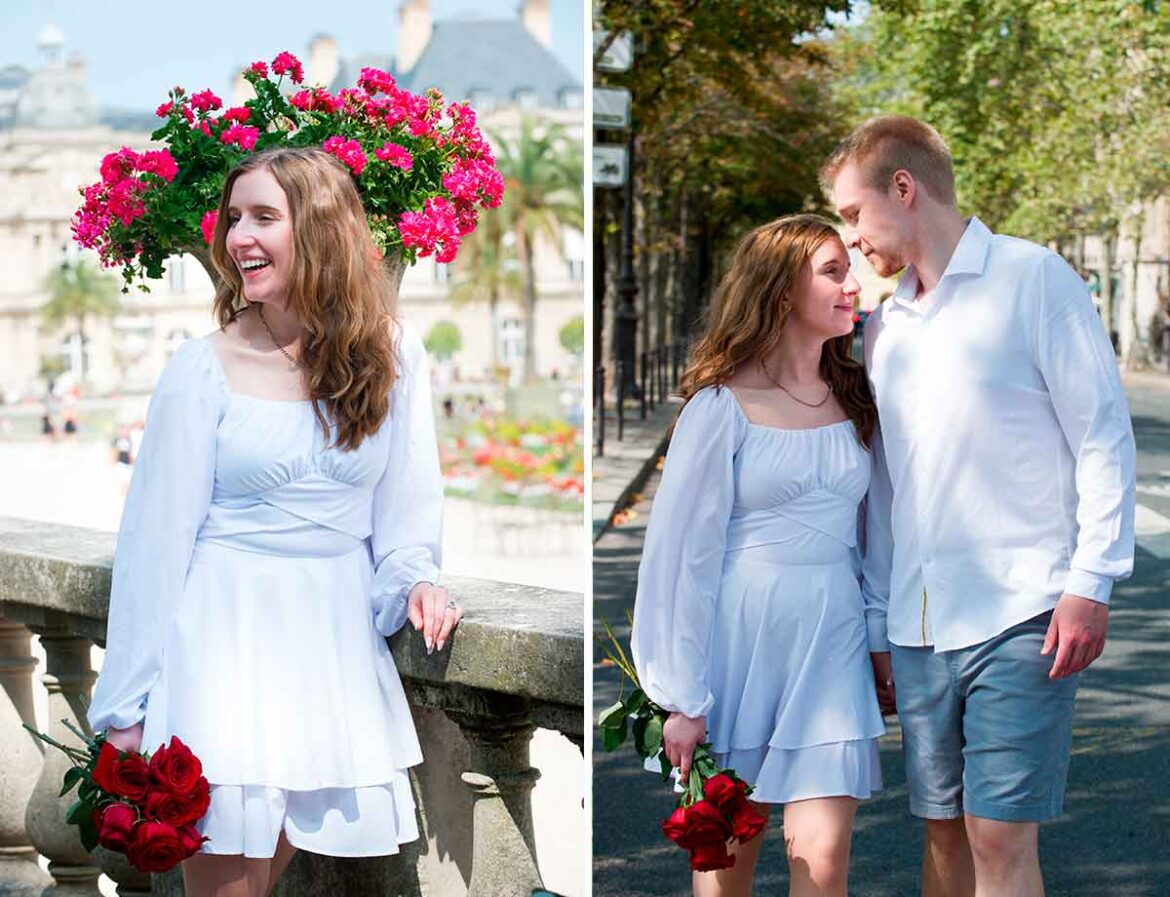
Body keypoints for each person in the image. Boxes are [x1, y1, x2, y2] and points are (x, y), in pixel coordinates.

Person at [86, 147, 462, 897]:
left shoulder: (394, 354)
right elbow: (155, 545)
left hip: (331, 654)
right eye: (233, 219)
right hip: (221, 648)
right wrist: (125, 707)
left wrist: (417, 577)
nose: (237, 238)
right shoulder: (202, 367)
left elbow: (405, 512)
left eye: (263, 217)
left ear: (321, 231)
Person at [820, 116, 1136, 897]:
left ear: (905, 188)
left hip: (1024, 608)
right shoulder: (886, 326)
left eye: (853, 213)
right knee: (943, 832)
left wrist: (1090, 581)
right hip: (920, 622)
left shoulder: (1035, 280)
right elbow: (889, 488)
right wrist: (876, 623)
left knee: (998, 833)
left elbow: (1103, 436)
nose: (850, 237)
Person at [631, 214, 886, 897]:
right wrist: (682, 696)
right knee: (724, 867)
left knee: (822, 861)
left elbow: (876, 538)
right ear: (780, 290)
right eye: (832, 271)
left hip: (832, 640)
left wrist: (882, 637)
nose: (852, 284)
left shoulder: (857, 398)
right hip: (737, 648)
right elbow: (682, 557)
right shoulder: (719, 408)